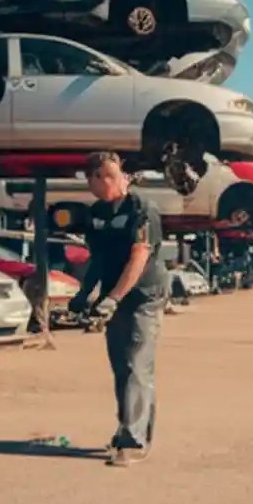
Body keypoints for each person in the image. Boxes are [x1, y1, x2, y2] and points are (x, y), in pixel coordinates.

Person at [68, 151, 170, 468]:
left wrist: (113, 298)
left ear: (105, 177)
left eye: (92, 179)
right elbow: (97, 258)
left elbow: (139, 255)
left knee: (138, 364)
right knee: (121, 367)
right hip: (114, 295)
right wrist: (85, 293)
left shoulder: (141, 209)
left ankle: (135, 441)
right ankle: (127, 426)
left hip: (144, 294)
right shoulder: (97, 213)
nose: (90, 186)